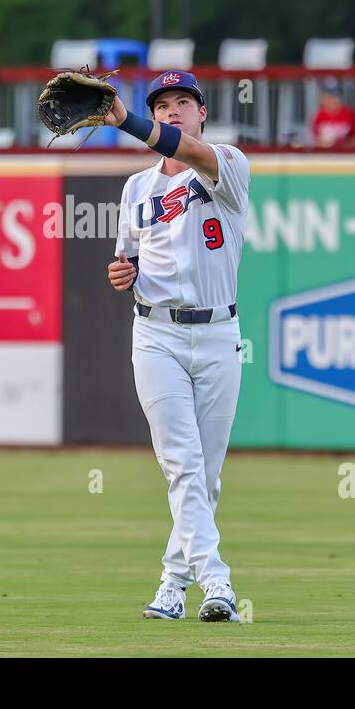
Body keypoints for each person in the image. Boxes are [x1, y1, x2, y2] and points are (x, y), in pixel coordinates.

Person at [102, 70, 249, 623]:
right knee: (183, 465)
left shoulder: (227, 166)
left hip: (218, 335)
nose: (171, 112)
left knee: (205, 473)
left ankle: (170, 585)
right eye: (161, 105)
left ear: (202, 114)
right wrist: (122, 272)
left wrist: (126, 121)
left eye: (183, 102)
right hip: (156, 334)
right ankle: (218, 583)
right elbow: (129, 260)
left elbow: (183, 150)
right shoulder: (136, 189)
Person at [310, 77, 355, 148]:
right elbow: (312, 142)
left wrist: (340, 144)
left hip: (344, 155)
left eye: (335, 96)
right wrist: (324, 144)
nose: (332, 100)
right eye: (328, 96)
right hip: (324, 155)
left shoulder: (349, 113)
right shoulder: (318, 115)